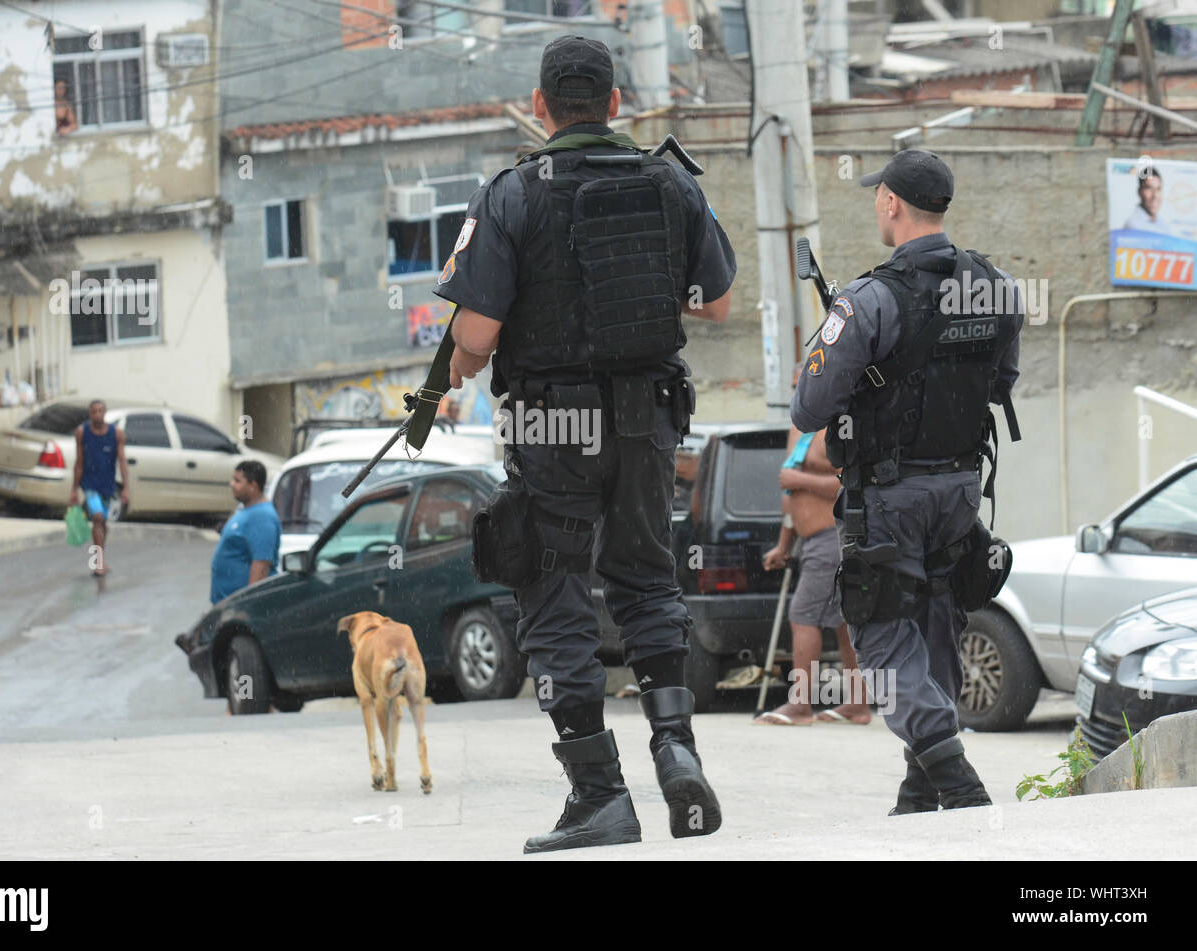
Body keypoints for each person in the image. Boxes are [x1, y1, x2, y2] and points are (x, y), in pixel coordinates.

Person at [435, 35, 736, 853]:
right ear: (614, 103)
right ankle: (676, 749)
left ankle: (599, 794)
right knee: (645, 579)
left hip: (549, 426)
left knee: (553, 590)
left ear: (539, 106)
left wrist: (458, 357)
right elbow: (716, 303)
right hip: (648, 419)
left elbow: (478, 334)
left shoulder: (512, 194)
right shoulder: (670, 180)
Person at [791, 148, 1022, 814]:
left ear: (892, 202)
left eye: (876, 195)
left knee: (881, 633)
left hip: (890, 496)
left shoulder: (869, 299)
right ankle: (921, 789)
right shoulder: (997, 287)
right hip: (958, 488)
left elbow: (809, 406)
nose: (874, 204)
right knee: (936, 623)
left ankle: (953, 776)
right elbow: (1001, 384)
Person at [755, 368, 871, 727]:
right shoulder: (800, 428)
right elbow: (790, 493)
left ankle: (800, 704)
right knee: (841, 620)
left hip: (833, 537)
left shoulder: (841, 424)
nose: (798, 394)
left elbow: (852, 486)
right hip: (810, 540)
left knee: (803, 614)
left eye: (802, 387)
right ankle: (857, 704)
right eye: (794, 388)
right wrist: (783, 543)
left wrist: (800, 478)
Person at [69, 399, 128, 578]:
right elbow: (79, 463)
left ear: (105, 412)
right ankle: (98, 563)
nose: (97, 415)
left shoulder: (116, 434)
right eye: (94, 412)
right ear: (90, 414)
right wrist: (73, 490)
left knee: (103, 524)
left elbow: (122, 461)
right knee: (97, 518)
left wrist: (125, 488)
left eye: (100, 411)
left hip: (107, 485)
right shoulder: (82, 432)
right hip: (90, 484)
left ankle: (100, 558)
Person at [209, 461, 280, 605]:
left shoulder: (262, 517)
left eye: (237, 481)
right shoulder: (247, 509)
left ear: (253, 485)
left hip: (239, 609)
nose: (232, 484)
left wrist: (247, 608)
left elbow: (261, 567)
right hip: (226, 605)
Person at [1122, 167, 1170, 234]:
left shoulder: (1164, 225)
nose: (1155, 195)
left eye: (1158, 189)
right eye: (1149, 188)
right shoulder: (1133, 225)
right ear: (1139, 192)